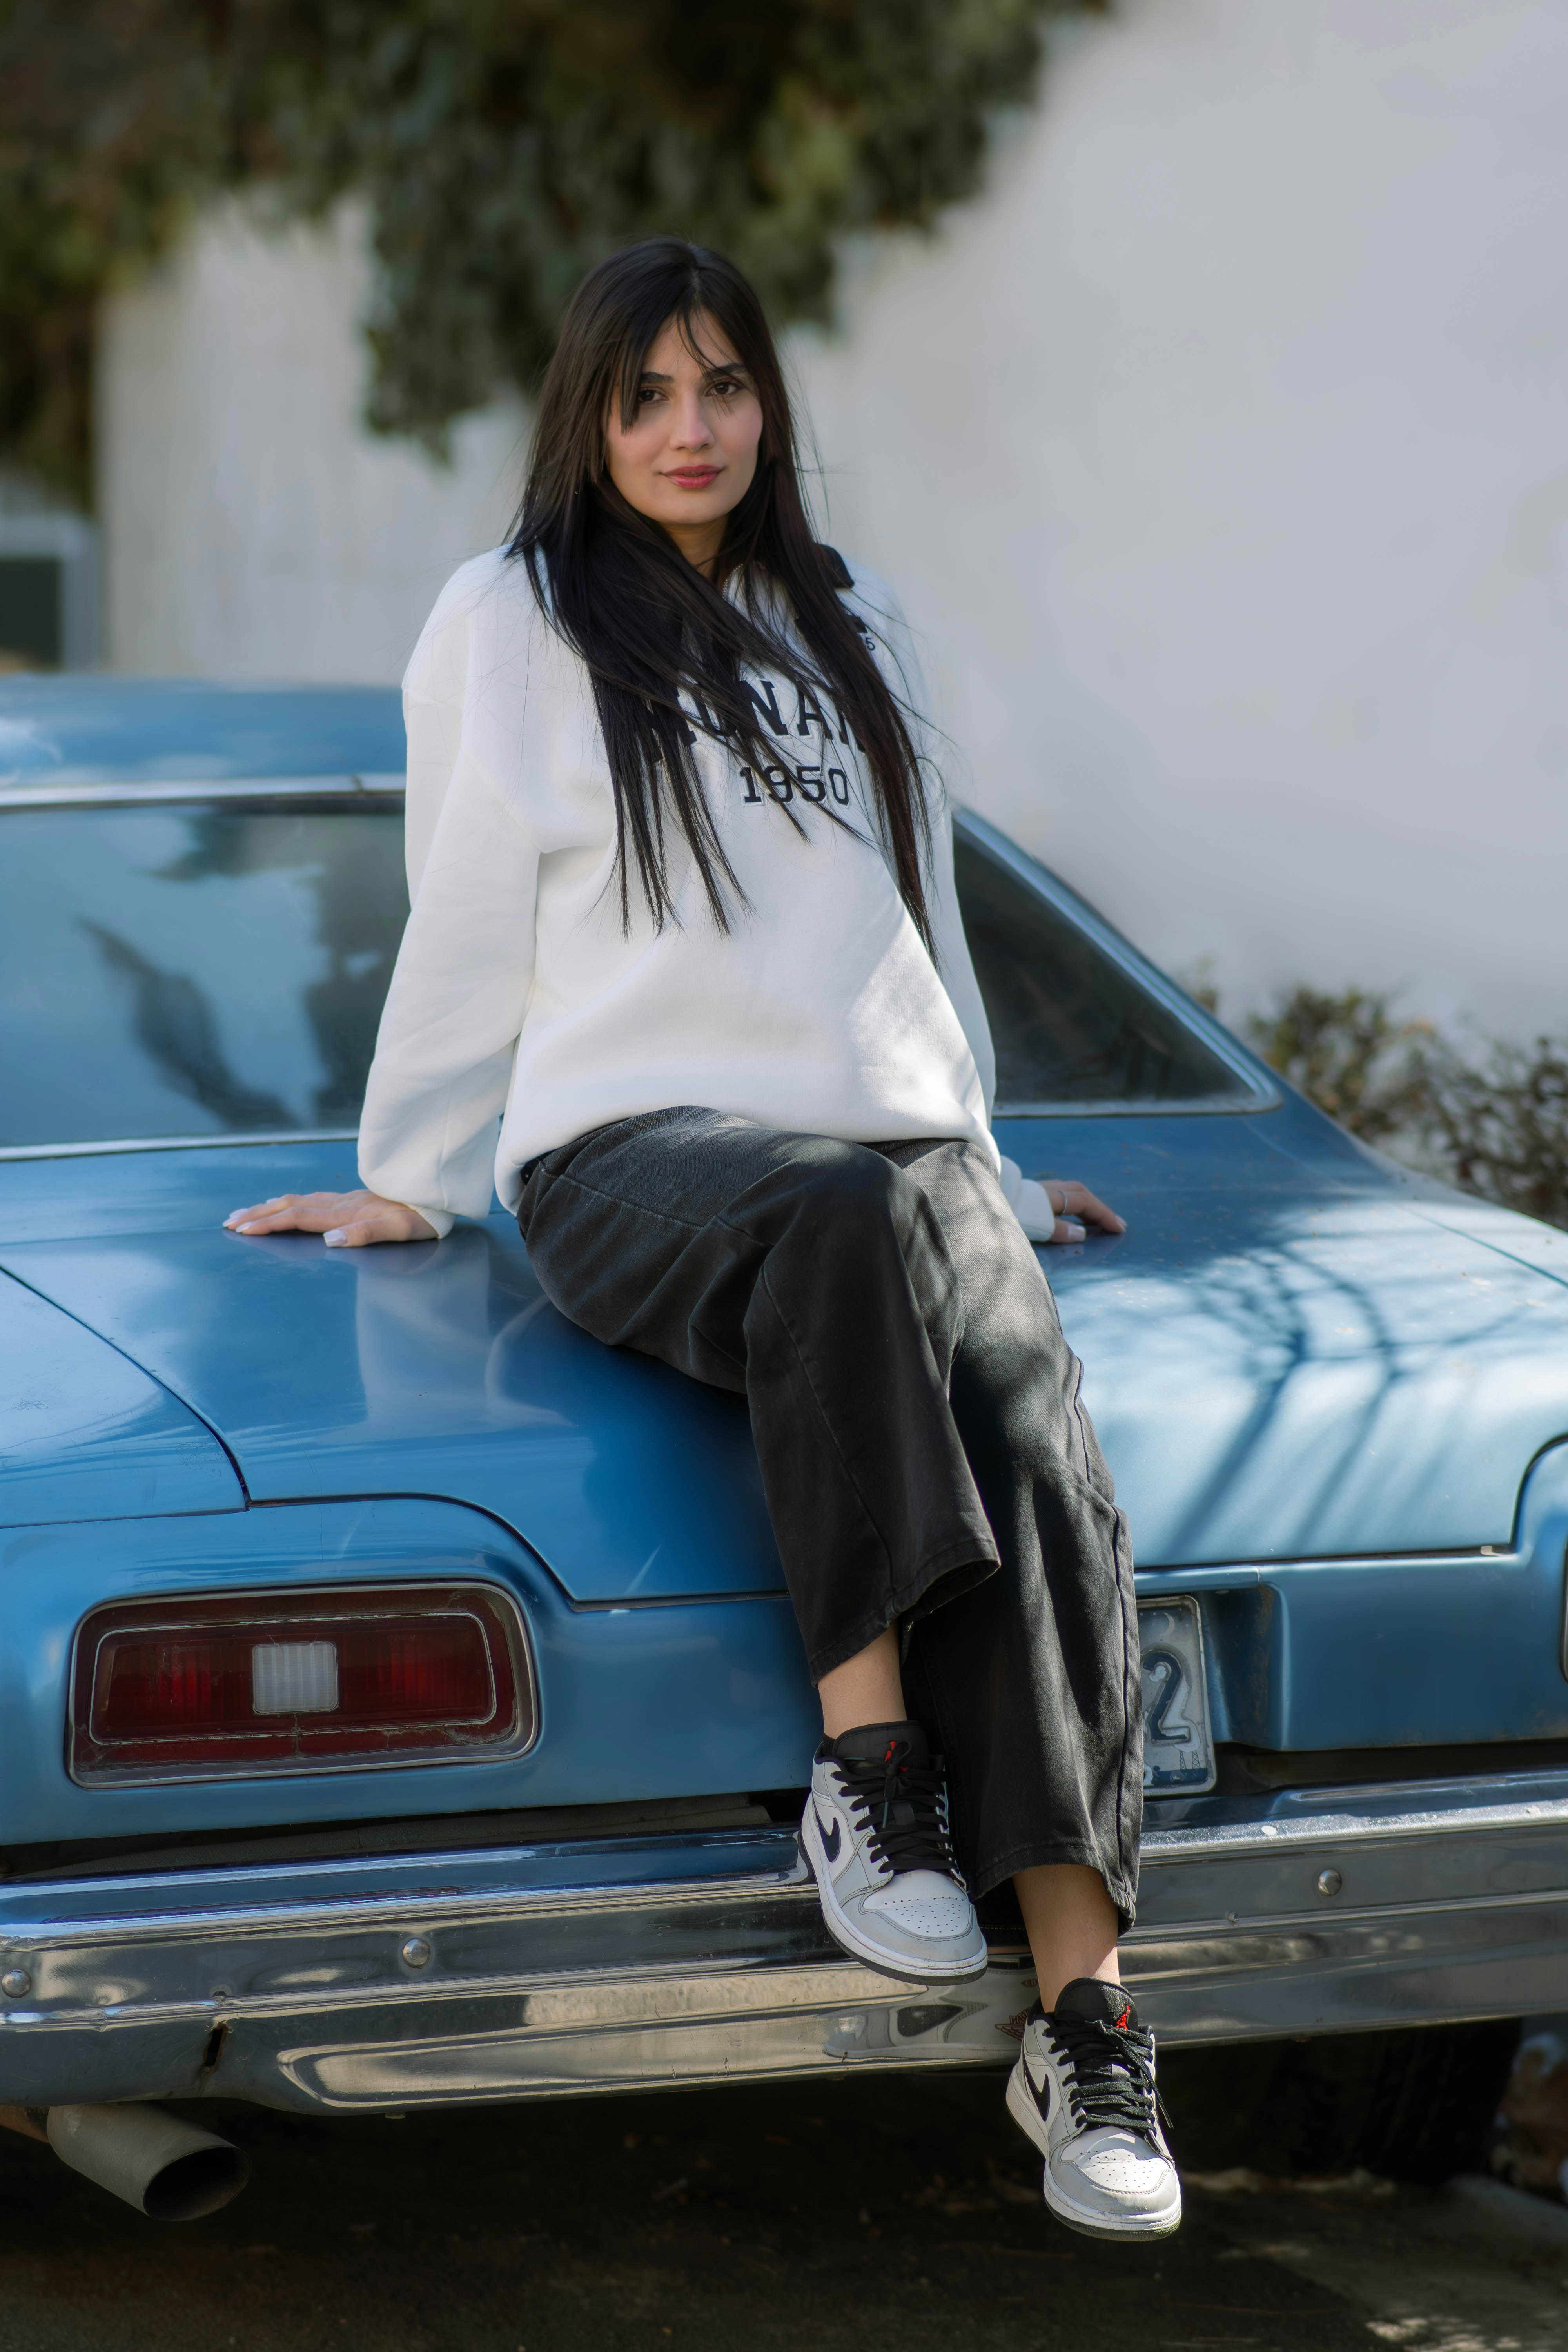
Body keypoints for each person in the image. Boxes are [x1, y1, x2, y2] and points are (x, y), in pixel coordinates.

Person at [223, 237, 1180, 2242]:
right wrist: (416, 1163)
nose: (689, 428)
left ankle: (1088, 2024)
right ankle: (871, 1777)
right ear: (588, 412)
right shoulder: (514, 617)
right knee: (845, 1213)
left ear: (769, 406)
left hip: (887, 1154)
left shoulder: (854, 620)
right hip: (627, 1156)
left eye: (724, 386)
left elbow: (908, 923)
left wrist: (986, 1160)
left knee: (1040, 1458)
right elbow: (467, 900)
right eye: (648, 393)